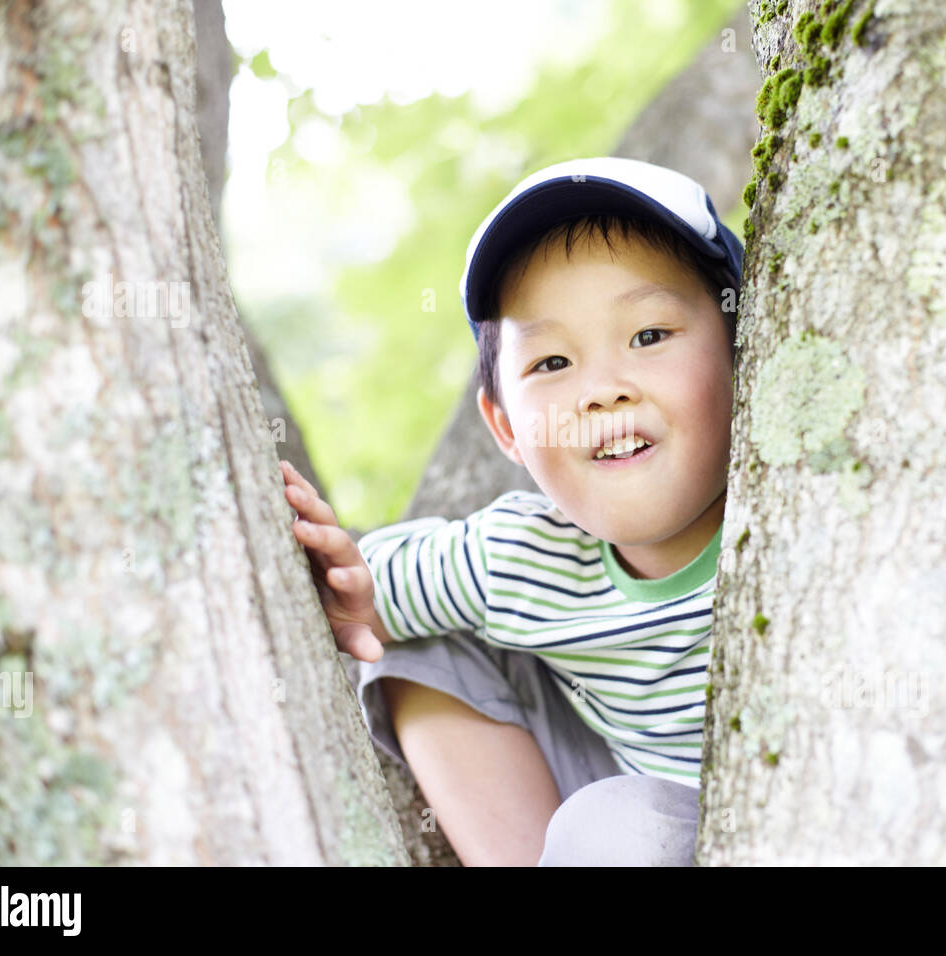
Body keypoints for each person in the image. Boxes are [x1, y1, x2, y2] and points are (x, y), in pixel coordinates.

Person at [281, 156, 743, 866]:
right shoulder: (524, 555)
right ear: (505, 428)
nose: (602, 390)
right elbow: (373, 592)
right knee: (422, 641)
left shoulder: (795, 522)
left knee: (615, 826)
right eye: (552, 363)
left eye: (648, 336)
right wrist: (346, 584)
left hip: (765, 814)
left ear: (746, 349)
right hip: (623, 823)